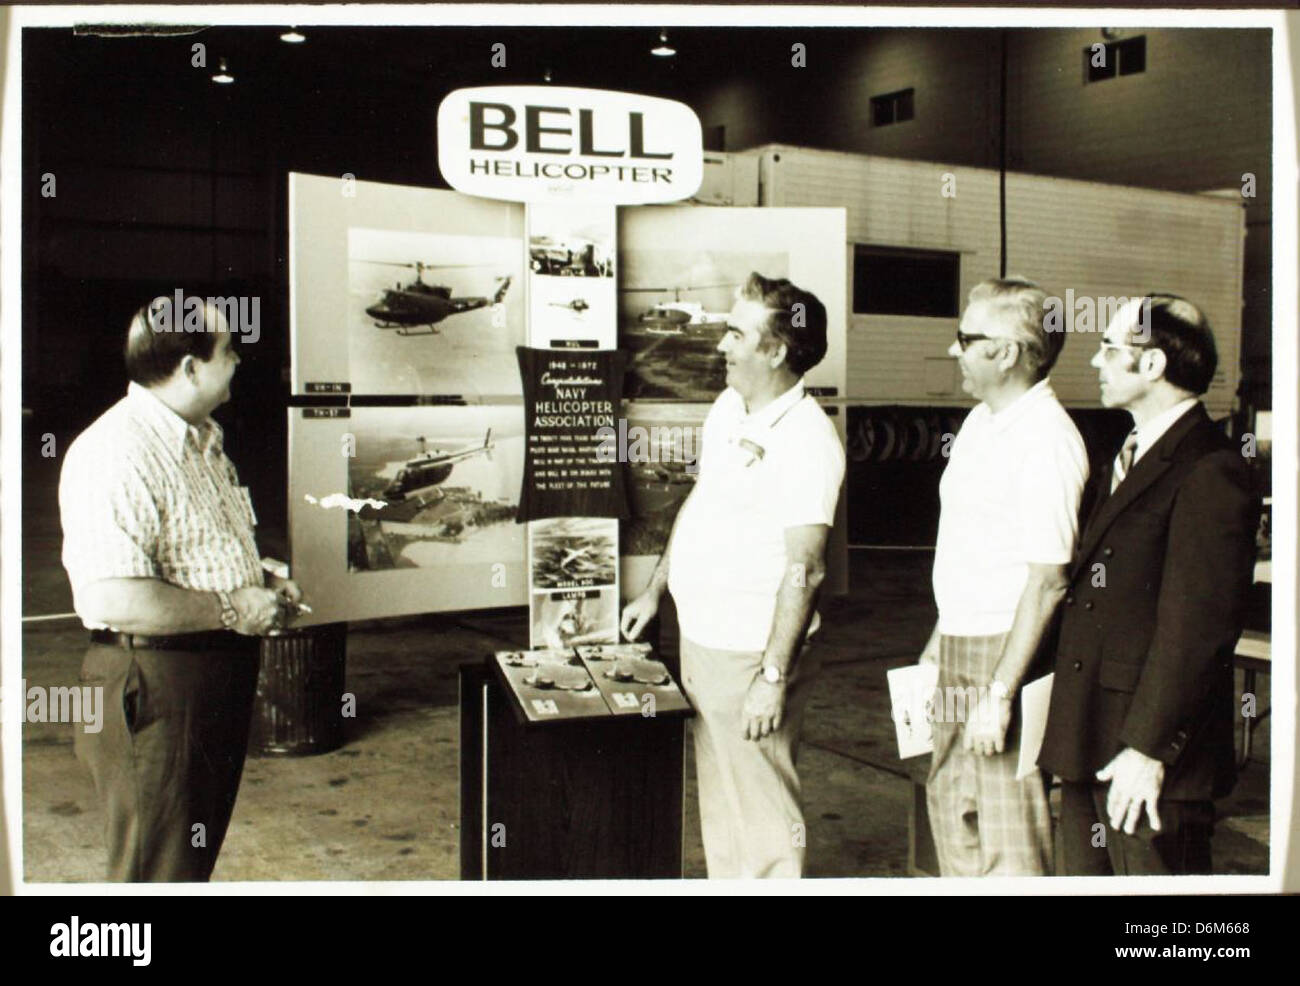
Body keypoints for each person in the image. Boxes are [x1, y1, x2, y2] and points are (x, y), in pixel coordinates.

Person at [59, 296, 303, 882]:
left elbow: (190, 550)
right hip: (155, 684)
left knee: (183, 866)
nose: (240, 362)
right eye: (229, 352)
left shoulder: (200, 441)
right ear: (191, 368)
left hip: (202, 678)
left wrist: (254, 579)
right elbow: (111, 598)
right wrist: (232, 605)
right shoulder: (117, 450)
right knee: (154, 873)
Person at [621, 272, 844, 878]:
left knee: (765, 812)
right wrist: (656, 588)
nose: (721, 344)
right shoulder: (729, 407)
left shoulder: (807, 440)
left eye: (736, 333)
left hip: (751, 653)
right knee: (724, 805)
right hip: (704, 641)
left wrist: (773, 676)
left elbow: (807, 567)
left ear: (775, 350)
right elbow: (700, 502)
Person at [1040, 295, 1258, 876]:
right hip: (1094, 740)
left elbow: (1198, 628)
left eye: (1110, 349)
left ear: (1155, 365)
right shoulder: (1134, 453)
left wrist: (1149, 749)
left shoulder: (1210, 468)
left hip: (1148, 758)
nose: (1096, 362)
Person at [922, 277, 1088, 876]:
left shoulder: (1047, 441)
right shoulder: (980, 423)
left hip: (1007, 652)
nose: (954, 349)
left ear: (1009, 352)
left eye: (967, 337)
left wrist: (999, 695)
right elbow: (972, 548)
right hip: (962, 643)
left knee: (1007, 831)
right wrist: (938, 643)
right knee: (952, 807)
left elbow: (1048, 582)